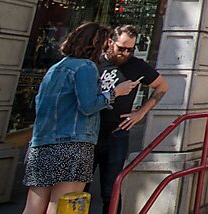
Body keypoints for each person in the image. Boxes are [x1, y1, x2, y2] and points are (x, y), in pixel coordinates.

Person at [25, 22, 138, 214]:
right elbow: (88, 105)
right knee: (62, 205)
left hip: (42, 142)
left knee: (34, 207)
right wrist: (115, 93)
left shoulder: (57, 68)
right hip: (72, 144)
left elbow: (39, 103)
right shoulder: (85, 67)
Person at [94, 25, 168, 210]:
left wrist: (141, 112)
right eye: (121, 48)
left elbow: (162, 86)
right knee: (78, 187)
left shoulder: (136, 65)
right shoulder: (93, 62)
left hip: (117, 132)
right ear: (110, 42)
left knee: (111, 189)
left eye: (130, 49)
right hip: (88, 131)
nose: (125, 53)